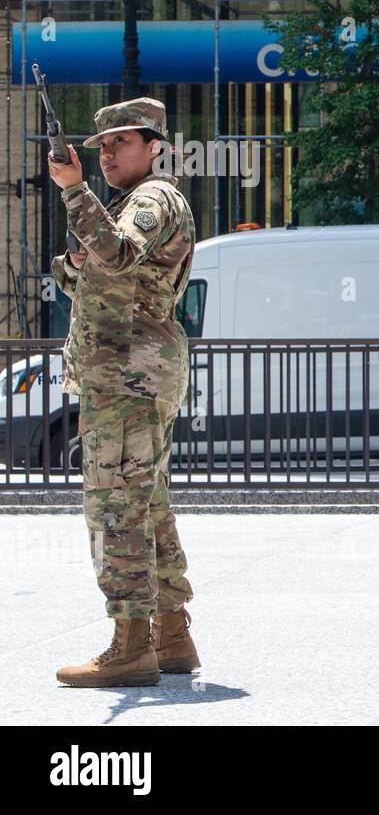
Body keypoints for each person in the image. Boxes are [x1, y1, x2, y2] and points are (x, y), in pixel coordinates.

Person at [48, 97, 202, 687]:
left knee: (115, 505)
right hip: (128, 369)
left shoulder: (153, 199)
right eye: (102, 147)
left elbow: (116, 255)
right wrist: (76, 254)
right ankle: (171, 635)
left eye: (121, 144)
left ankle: (130, 645)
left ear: (154, 147)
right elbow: (91, 271)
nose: (108, 154)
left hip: (128, 371)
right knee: (147, 504)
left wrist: (72, 191)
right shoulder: (123, 206)